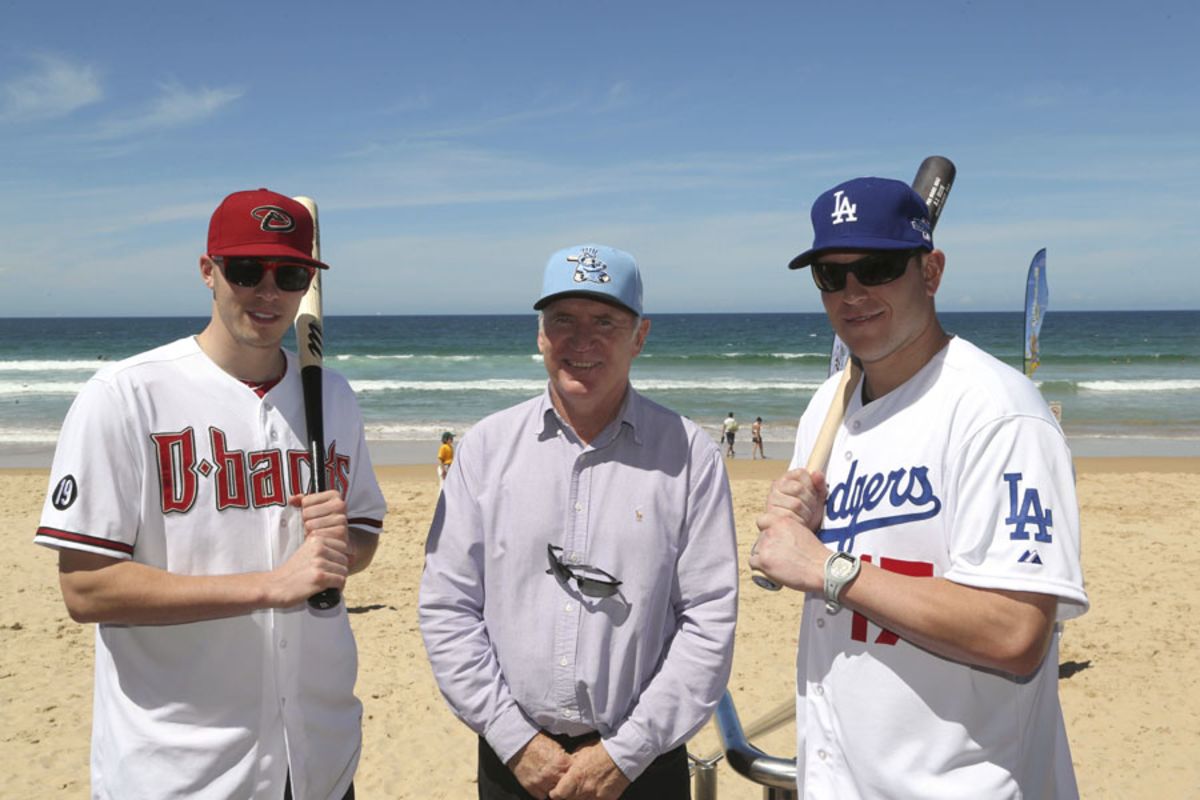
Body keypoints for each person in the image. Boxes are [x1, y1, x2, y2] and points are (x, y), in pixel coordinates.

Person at [34, 188, 387, 800]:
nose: (268, 292)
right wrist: (269, 585)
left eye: (290, 273)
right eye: (246, 270)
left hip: (318, 763)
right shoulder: (124, 397)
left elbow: (361, 538)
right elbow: (85, 587)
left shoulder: (333, 396)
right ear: (208, 272)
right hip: (182, 773)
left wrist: (339, 548)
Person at [749, 177, 1088, 798]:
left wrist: (827, 567)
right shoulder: (829, 404)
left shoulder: (998, 413)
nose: (853, 294)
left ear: (930, 271)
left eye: (877, 268)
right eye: (831, 276)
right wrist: (799, 521)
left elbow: (1016, 632)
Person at [419, 244, 738, 800]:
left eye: (605, 322)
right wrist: (512, 737)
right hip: (513, 761)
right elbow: (448, 605)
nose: (581, 341)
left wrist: (627, 751)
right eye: (562, 320)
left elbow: (708, 618)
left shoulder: (690, 456)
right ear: (541, 335)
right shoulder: (485, 449)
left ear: (640, 336)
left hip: (643, 766)